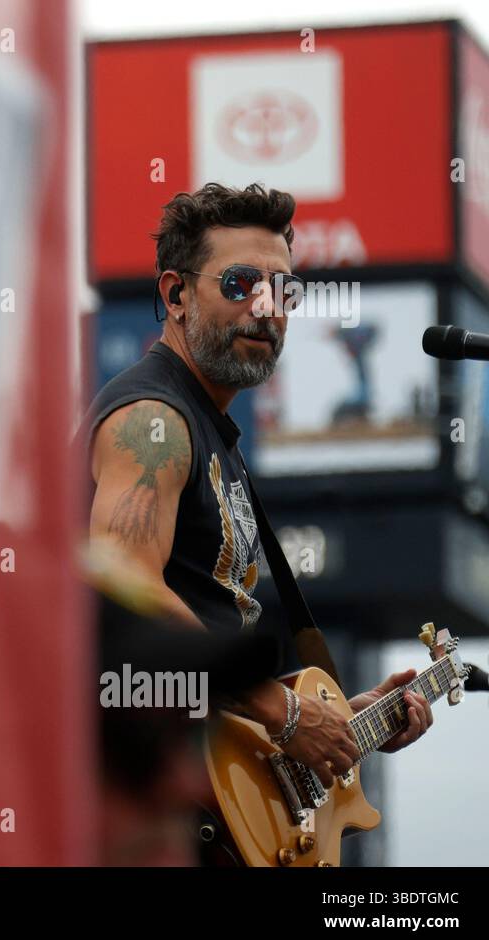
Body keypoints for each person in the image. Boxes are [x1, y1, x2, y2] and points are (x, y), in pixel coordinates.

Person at [80, 182, 432, 789]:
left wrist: (338, 717)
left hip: (206, 782)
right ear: (177, 294)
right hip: (144, 795)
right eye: (240, 284)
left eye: (282, 289)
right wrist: (290, 713)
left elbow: (210, 642)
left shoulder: (213, 430)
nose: (266, 307)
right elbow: (126, 590)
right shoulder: (154, 422)